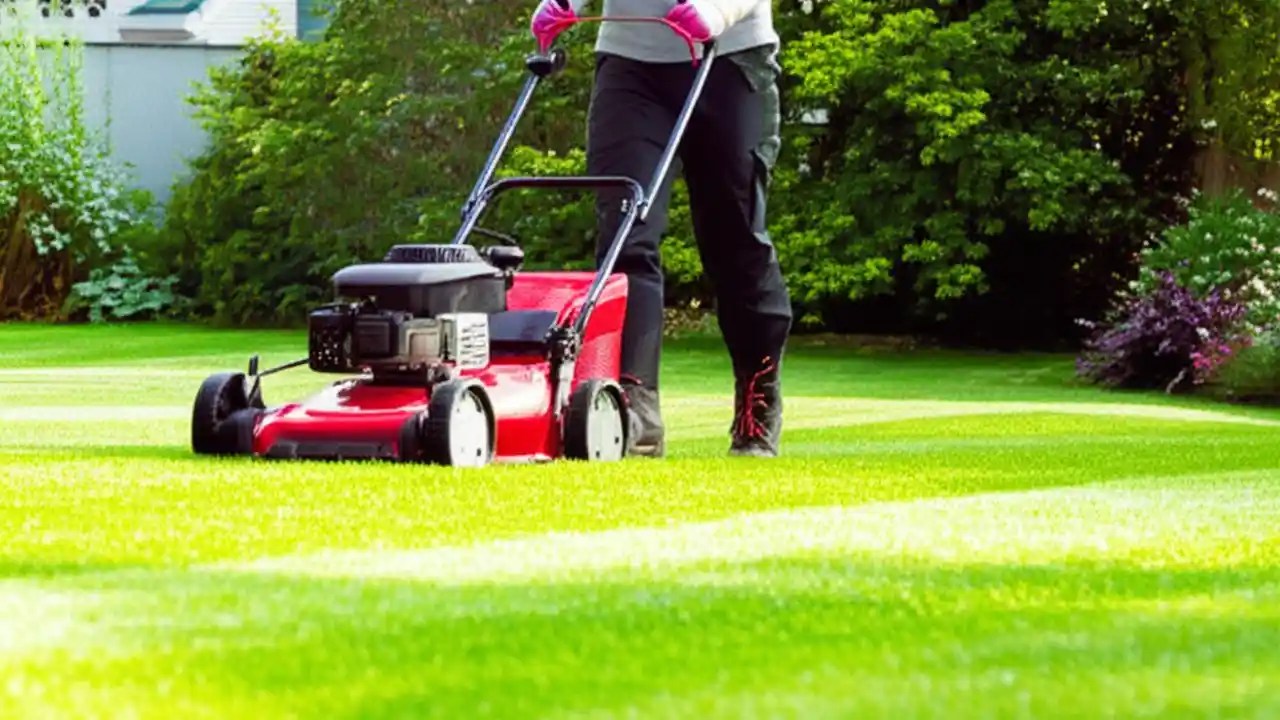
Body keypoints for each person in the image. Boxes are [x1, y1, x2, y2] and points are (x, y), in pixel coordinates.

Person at [530, 0, 792, 458]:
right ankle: (635, 409)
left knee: (735, 241)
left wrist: (718, 11)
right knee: (626, 236)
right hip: (632, 65)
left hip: (730, 59)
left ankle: (757, 401)